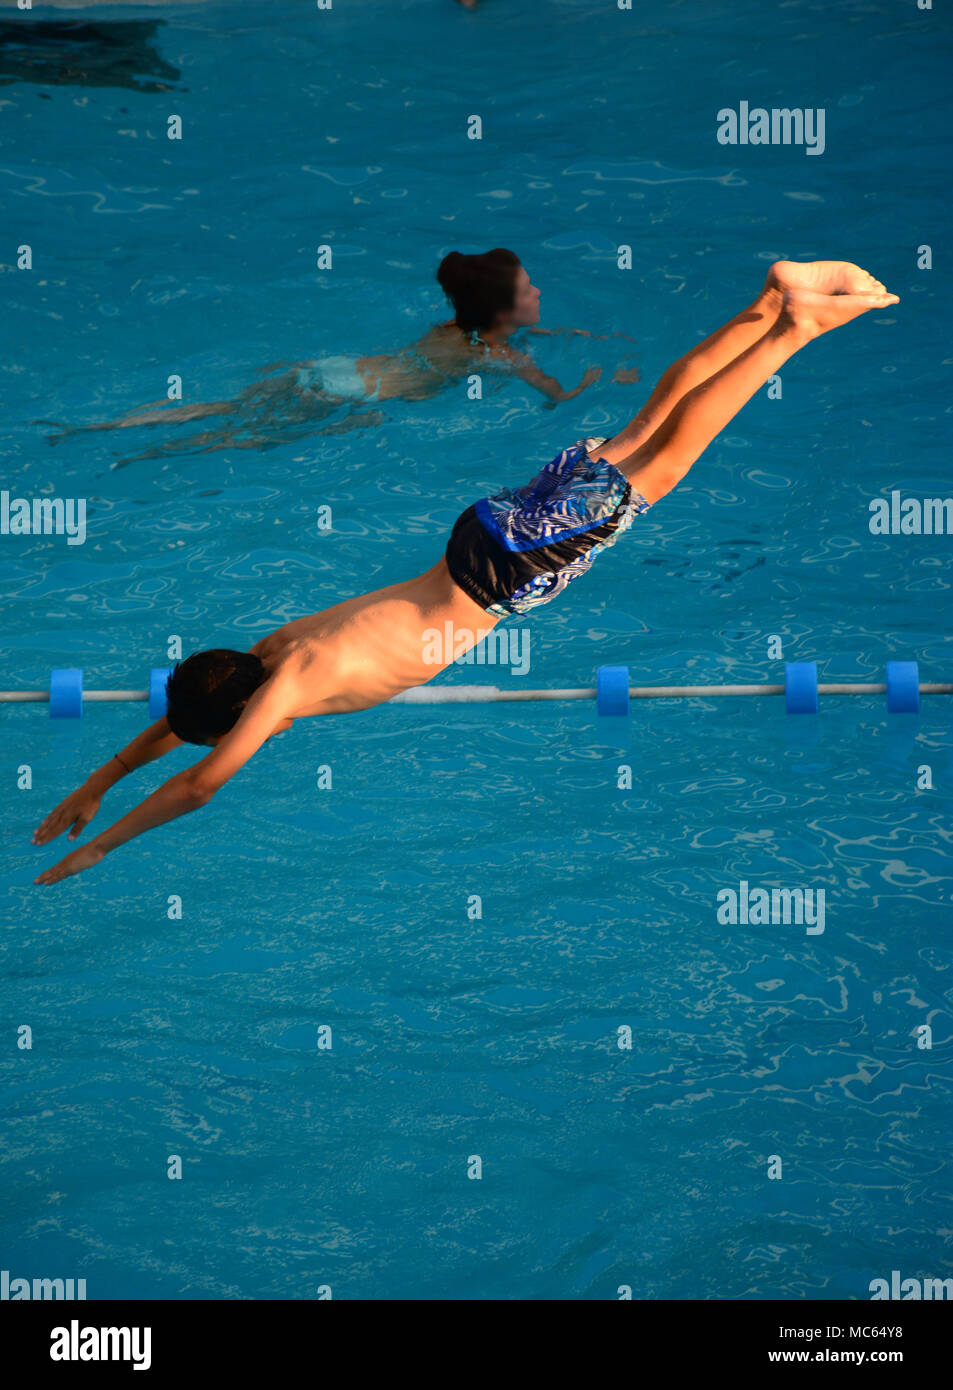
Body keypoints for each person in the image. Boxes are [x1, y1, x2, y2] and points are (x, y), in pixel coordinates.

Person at [32, 262, 897, 885]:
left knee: (666, 464)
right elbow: (183, 730)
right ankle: (763, 301)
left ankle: (794, 328)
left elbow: (199, 781)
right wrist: (96, 783)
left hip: (501, 572)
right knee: (639, 431)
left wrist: (101, 844)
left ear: (236, 717)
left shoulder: (287, 689)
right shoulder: (271, 649)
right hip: (473, 538)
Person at [40, 250, 636, 463]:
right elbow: (559, 397)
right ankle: (140, 456)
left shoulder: (458, 327)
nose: (539, 293)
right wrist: (603, 378)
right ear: (505, 314)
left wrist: (577, 336)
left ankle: (99, 426)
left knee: (221, 406)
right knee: (243, 439)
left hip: (334, 369)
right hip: (350, 397)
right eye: (530, 290)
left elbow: (492, 331)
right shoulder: (500, 359)